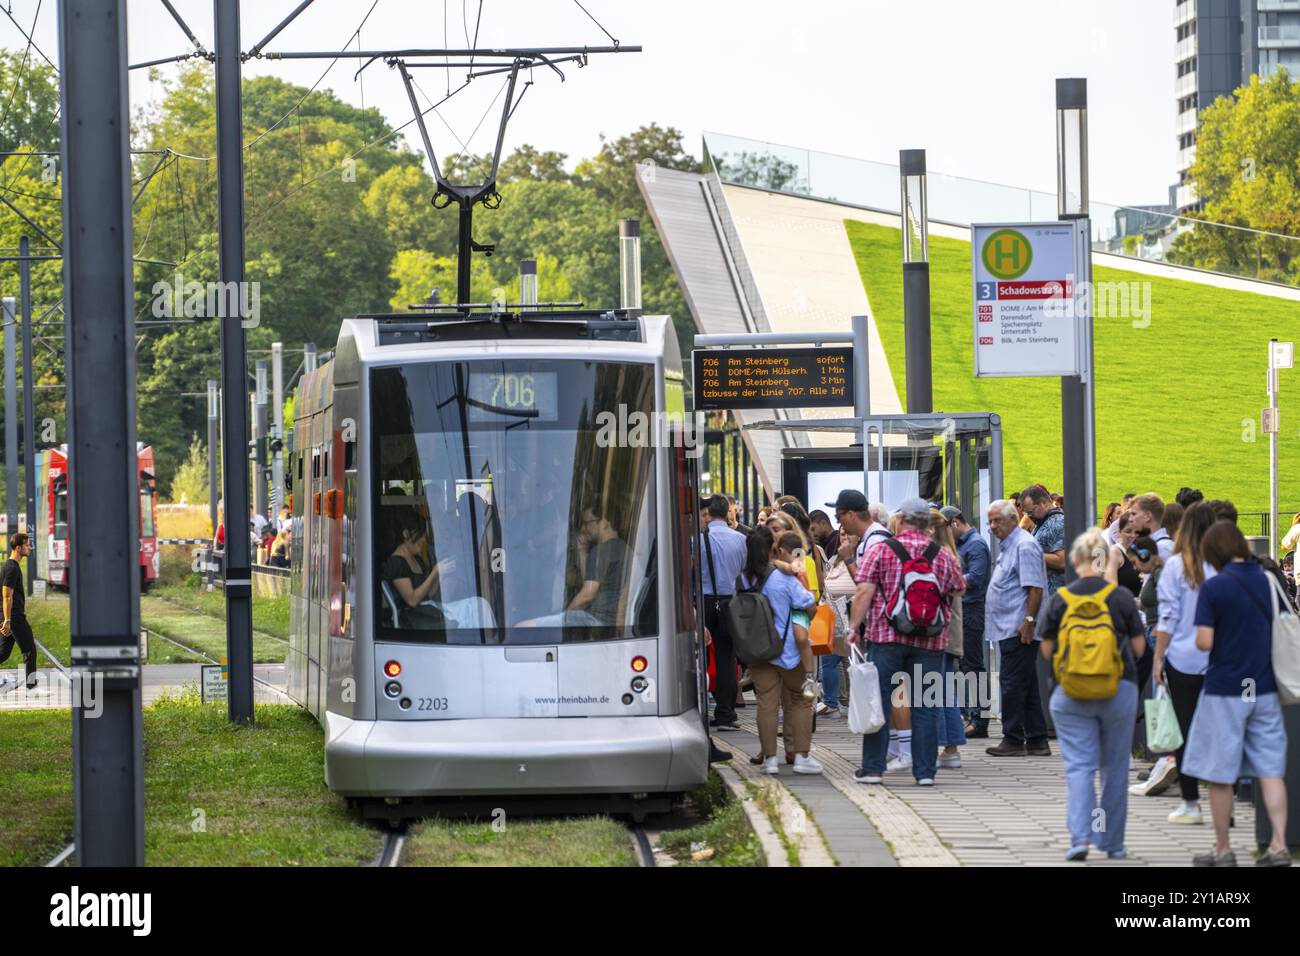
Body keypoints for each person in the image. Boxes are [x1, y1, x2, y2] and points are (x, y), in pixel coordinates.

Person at [1184, 521, 1292, 867]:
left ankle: (1223, 849)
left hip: (1225, 689)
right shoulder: (1270, 581)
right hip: (1264, 688)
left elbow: (1205, 641)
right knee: (1270, 769)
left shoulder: (1215, 588)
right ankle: (1278, 845)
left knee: (1221, 773)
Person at [1037, 527, 1147, 861]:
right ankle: (1112, 843)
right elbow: (1140, 648)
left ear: (1075, 560)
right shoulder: (1120, 598)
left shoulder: (1061, 599)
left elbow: (1046, 649)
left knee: (1079, 768)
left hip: (1070, 694)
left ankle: (1081, 839)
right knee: (1114, 768)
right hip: (1118, 689)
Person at [848, 497, 965, 786]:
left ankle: (873, 769)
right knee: (925, 705)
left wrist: (853, 627)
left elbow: (864, 591)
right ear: (927, 522)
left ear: (900, 521)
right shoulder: (942, 554)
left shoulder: (882, 551)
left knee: (882, 701)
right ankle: (925, 773)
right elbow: (957, 588)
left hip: (886, 637)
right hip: (930, 640)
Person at [1141, 501, 1219, 821]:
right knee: (1216, 731)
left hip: (1182, 659)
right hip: (1216, 659)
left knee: (1185, 731)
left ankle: (1191, 802)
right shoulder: (1220, 565)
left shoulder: (1175, 566)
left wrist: (1158, 658)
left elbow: (1168, 618)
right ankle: (1220, 801)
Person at [740, 526, 822, 776]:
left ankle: (770, 761)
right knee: (800, 702)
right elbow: (808, 602)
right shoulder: (782, 578)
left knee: (766, 705)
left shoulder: (743, 579)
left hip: (757, 651)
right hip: (788, 652)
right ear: (773, 549)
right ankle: (801, 757)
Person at [984, 499, 1051, 757]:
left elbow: (1034, 587)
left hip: (1018, 627)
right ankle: (1036, 739)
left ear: (1014, 519)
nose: (992, 526)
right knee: (1026, 684)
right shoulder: (1012, 545)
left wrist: (1029, 622)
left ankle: (1013, 739)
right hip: (1009, 626)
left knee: (1012, 683)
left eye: (997, 520)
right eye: (990, 521)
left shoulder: (1024, 546)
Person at [699, 495, 747, 733]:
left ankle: (700, 710)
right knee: (728, 658)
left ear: (708, 512)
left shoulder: (697, 539)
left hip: (705, 602)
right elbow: (745, 577)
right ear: (728, 512)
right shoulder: (740, 539)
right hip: (731, 602)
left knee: (701, 657)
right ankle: (726, 713)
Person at [943, 506, 992, 738]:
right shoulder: (963, 545)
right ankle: (971, 716)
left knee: (974, 666)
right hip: (964, 610)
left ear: (954, 522)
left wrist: (947, 580)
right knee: (965, 667)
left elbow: (977, 578)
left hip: (972, 610)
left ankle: (980, 720)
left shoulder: (976, 544)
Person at [930, 509, 966, 769]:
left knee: (936, 689)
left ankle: (947, 745)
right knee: (944, 687)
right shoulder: (950, 555)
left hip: (938, 632)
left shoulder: (937, 558)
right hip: (949, 631)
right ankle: (950, 746)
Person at [381, 511, 455, 627]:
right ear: (406, 534)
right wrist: (434, 572)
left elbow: (429, 593)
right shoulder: (396, 563)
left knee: (479, 604)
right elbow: (412, 600)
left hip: (428, 609)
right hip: (414, 617)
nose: (424, 540)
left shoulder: (417, 559)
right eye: (421, 535)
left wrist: (439, 573)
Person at [0, 534, 38, 694]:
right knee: (29, 650)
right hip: (14, 617)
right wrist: (8, 620)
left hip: (8, 617)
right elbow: (6, 595)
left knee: (3, 653)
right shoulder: (12, 568)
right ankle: (31, 688)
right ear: (18, 548)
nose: (29, 547)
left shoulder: (9, 566)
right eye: (27, 545)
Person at [1022, 484, 1066, 594]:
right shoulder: (1043, 521)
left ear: (1045, 503)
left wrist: (1029, 553)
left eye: (1031, 511)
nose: (1029, 516)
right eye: (1027, 513)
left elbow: (1062, 561)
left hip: (1055, 597)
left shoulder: (1057, 523)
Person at [1103, 511, 1143, 598]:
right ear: (1120, 531)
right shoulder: (1114, 552)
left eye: (1137, 532)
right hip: (1125, 607)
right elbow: (1111, 590)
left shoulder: (1142, 551)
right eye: (1128, 531)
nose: (1133, 535)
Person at [1128, 493, 1175, 560]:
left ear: (1148, 516)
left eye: (1133, 514)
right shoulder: (1155, 545)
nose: (1130, 519)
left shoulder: (1161, 548)